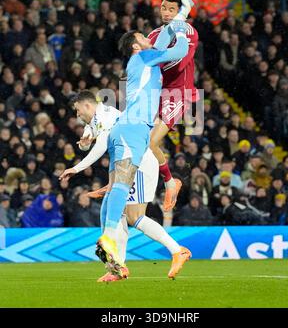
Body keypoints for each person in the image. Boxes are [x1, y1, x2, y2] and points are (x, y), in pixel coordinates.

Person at [60, 90, 191, 282]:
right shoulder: (98, 118)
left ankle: (177, 250)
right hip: (127, 161)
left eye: (78, 111)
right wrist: (84, 144)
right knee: (116, 211)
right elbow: (89, 136)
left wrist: (77, 168)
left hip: (137, 161)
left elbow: (101, 145)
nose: (78, 116)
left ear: (87, 105)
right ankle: (118, 267)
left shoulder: (105, 116)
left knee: (134, 216)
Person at [147, 0, 198, 212]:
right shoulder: (153, 35)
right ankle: (118, 184)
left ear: (180, 11)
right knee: (137, 142)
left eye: (171, 9)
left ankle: (170, 183)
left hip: (178, 94)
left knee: (150, 142)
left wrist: (154, 59)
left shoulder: (189, 32)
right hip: (157, 95)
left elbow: (177, 64)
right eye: (163, 8)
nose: (166, 13)